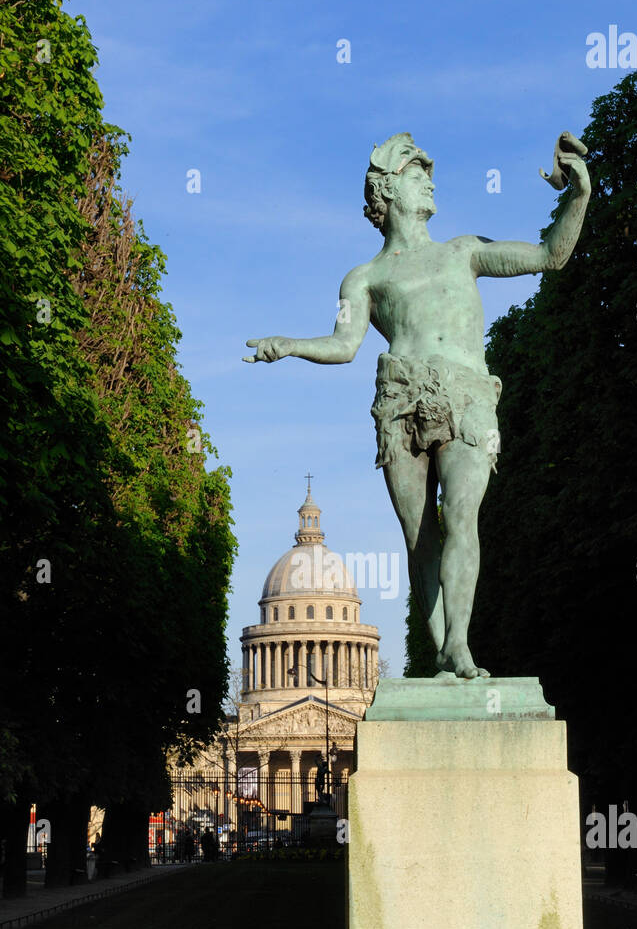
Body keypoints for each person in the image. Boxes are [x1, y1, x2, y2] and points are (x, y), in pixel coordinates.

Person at [245, 131, 590, 678]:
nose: (428, 179)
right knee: (418, 536)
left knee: (460, 515)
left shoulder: (465, 251)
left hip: (467, 393)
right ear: (385, 190)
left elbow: (552, 255)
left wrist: (578, 194)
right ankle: (442, 655)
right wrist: (290, 345)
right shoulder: (364, 278)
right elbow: (343, 345)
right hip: (400, 400)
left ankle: (459, 644)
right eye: (414, 171)